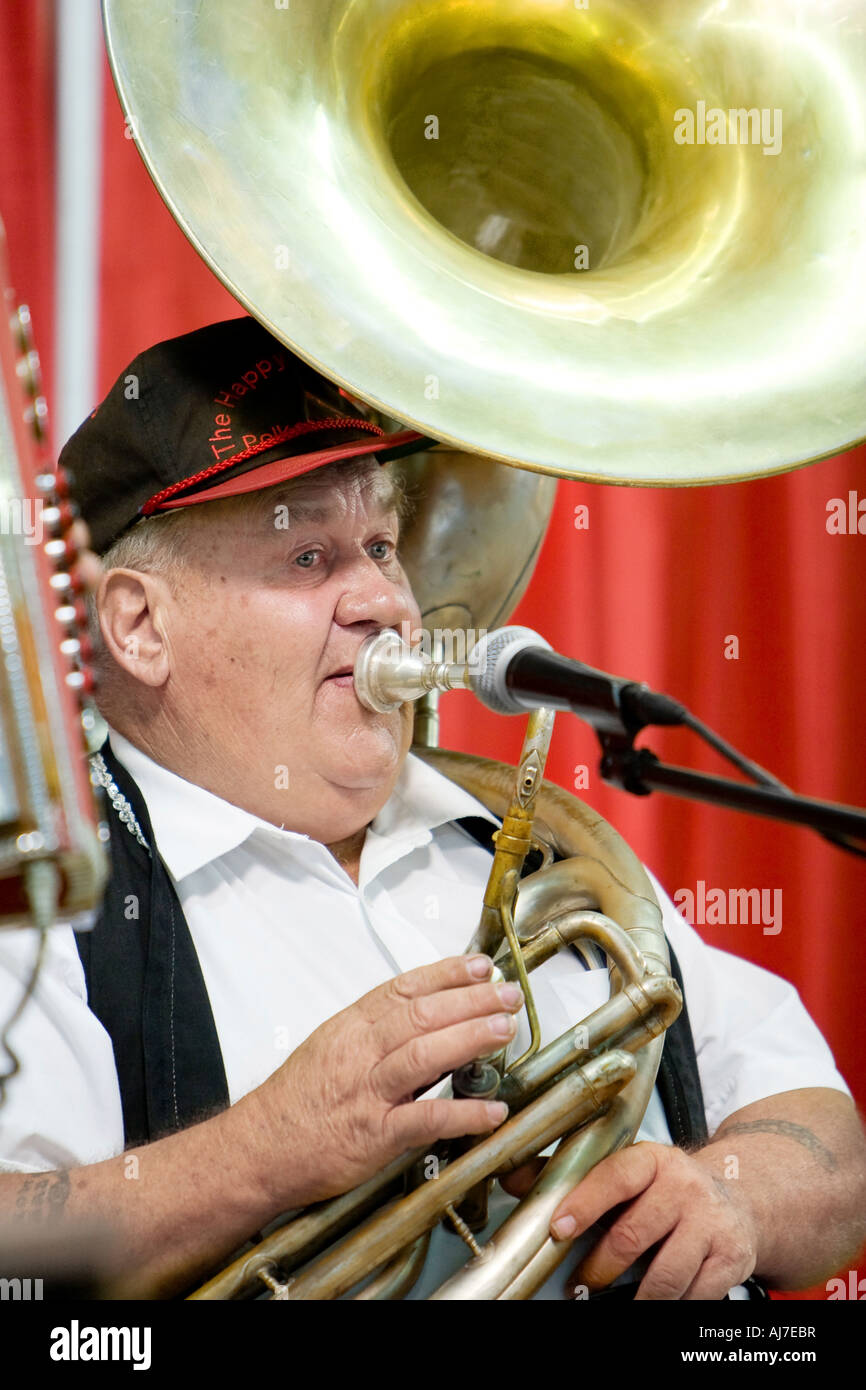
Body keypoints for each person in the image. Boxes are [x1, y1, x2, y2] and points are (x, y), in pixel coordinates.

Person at [0, 316, 863, 1302]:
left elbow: (827, 1138)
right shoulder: (51, 902)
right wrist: (264, 1151)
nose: (386, 601)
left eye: (381, 544)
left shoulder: (546, 850)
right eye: (308, 559)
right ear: (141, 625)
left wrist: (735, 1193)